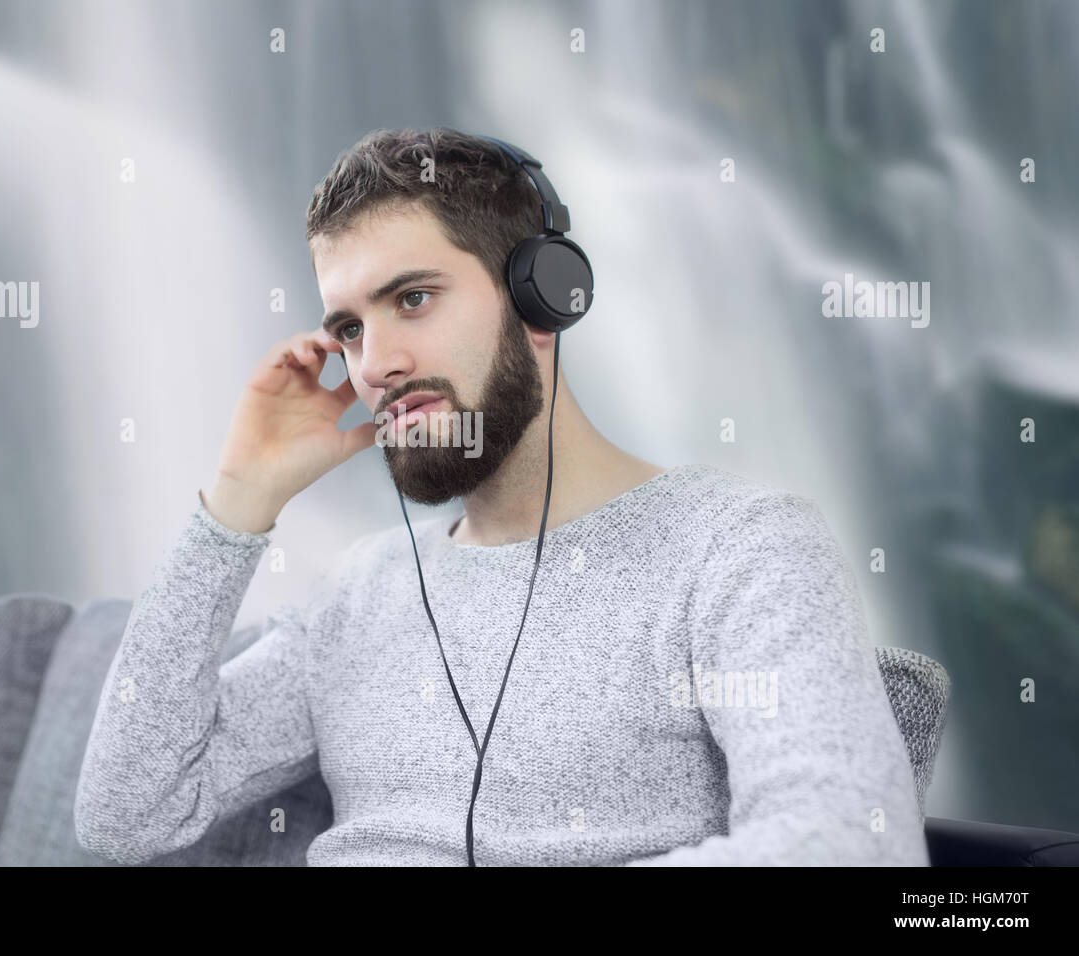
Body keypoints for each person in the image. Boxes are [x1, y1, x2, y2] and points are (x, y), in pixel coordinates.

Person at [74, 127, 929, 866]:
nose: (375, 365)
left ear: (541, 297)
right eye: (349, 329)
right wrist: (238, 502)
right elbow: (126, 814)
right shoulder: (358, 595)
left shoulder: (738, 548)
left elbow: (850, 842)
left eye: (413, 299)